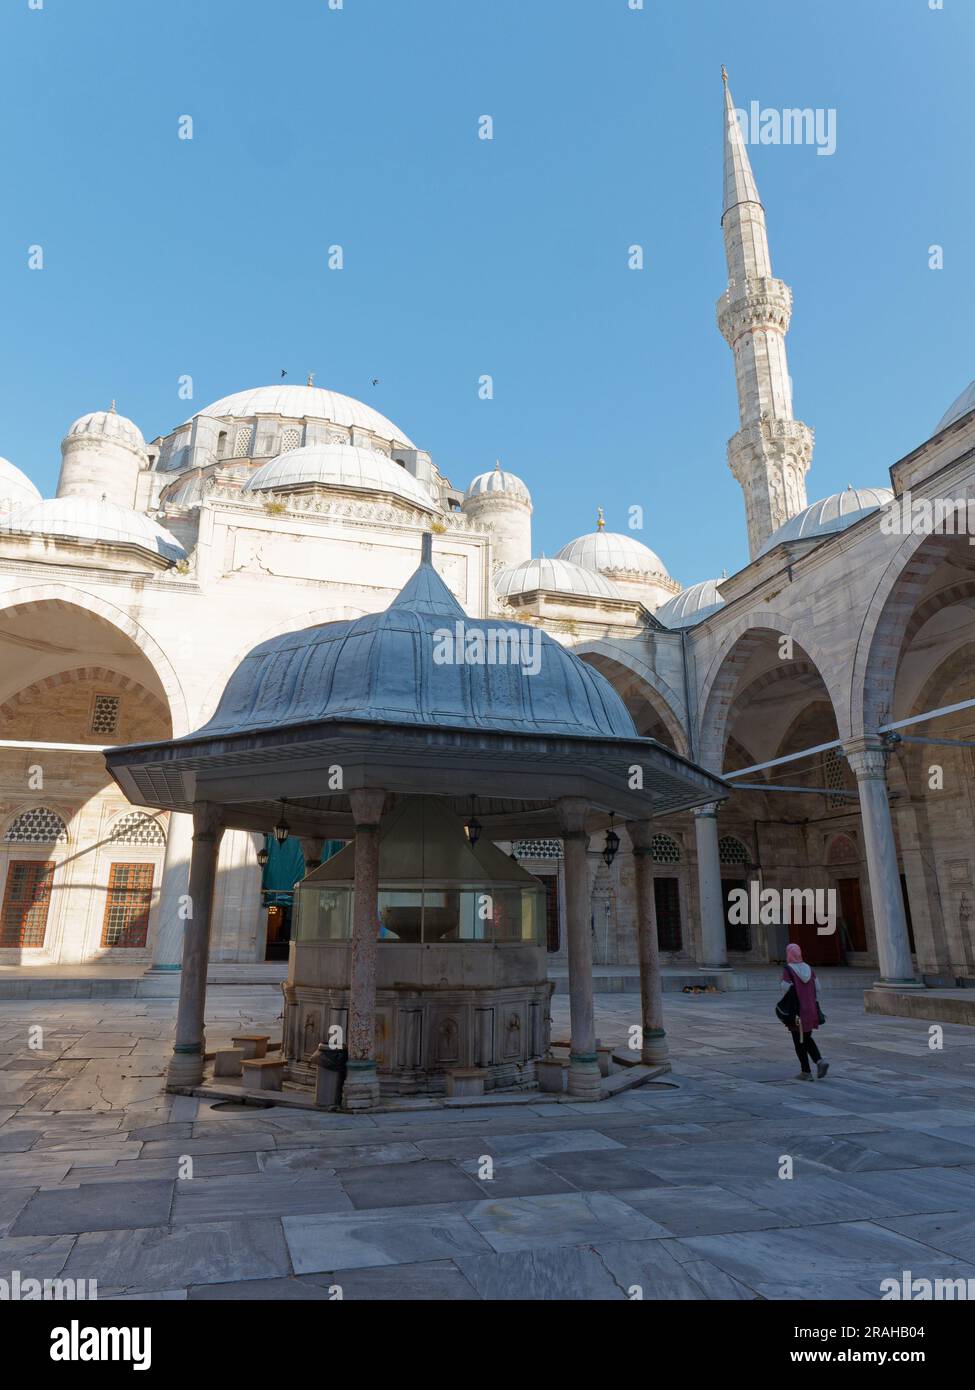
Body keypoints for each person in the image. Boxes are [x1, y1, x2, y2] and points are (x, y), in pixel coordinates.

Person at [782, 942, 828, 1080]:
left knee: (799, 1041)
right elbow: (818, 988)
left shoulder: (788, 969)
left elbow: (785, 987)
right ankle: (820, 1061)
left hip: (796, 1011)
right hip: (811, 1009)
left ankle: (806, 1071)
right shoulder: (809, 968)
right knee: (806, 1037)